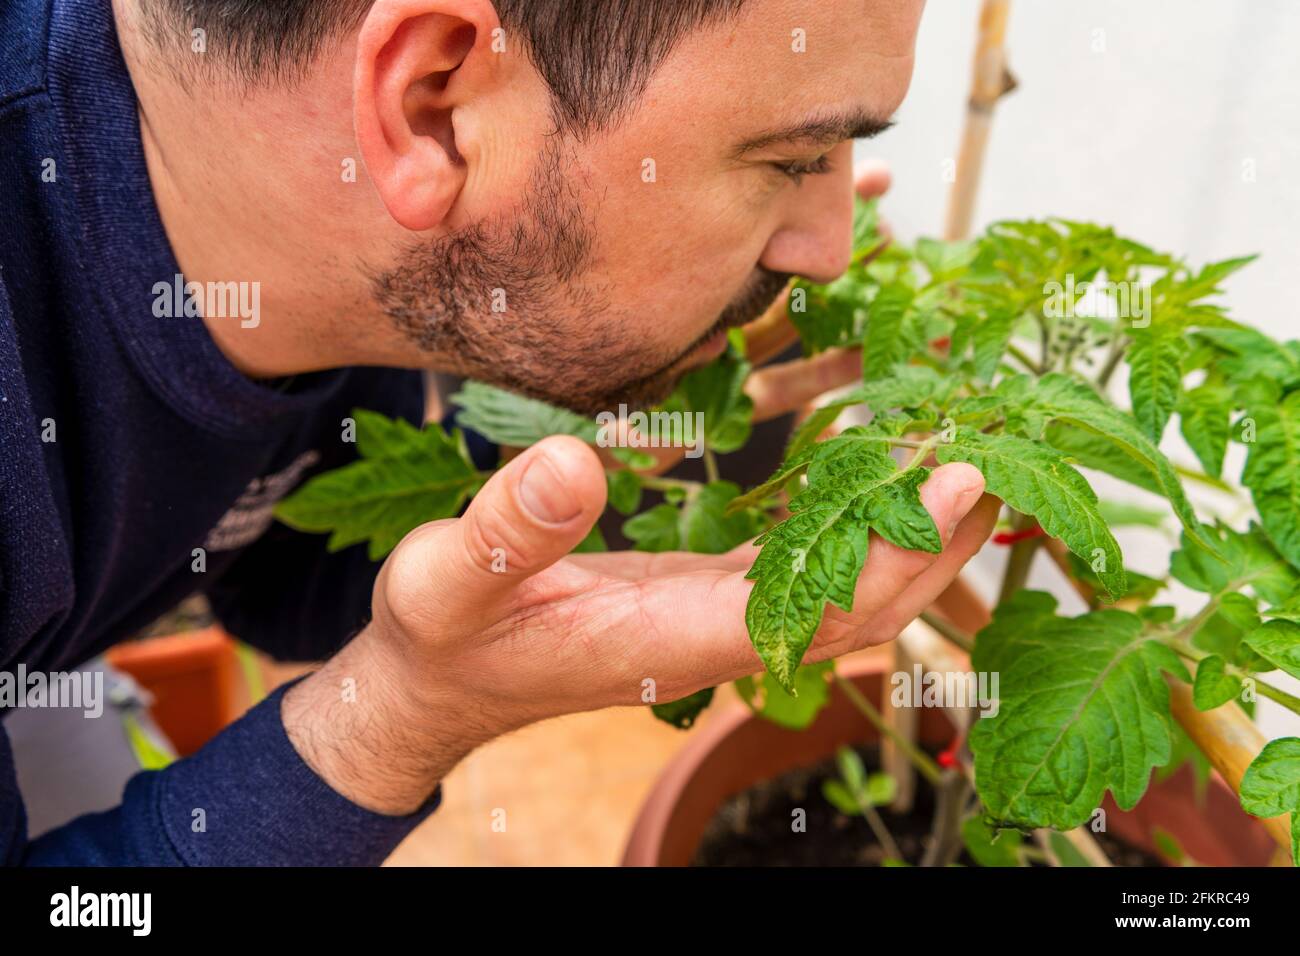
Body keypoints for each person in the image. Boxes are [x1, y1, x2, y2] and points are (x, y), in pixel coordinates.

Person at [0, 0, 996, 865]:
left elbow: (276, 577)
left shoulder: (309, 234)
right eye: (791, 157)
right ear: (432, 101)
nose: (829, 251)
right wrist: (399, 714)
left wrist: (496, 542)